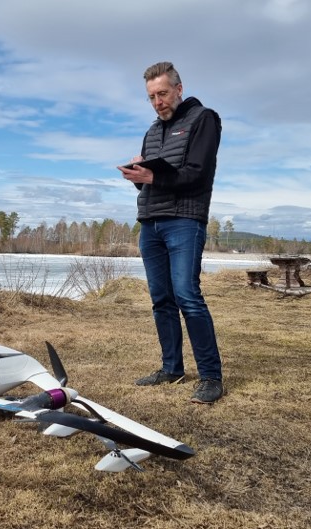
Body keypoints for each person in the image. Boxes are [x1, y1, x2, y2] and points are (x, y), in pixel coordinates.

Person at [117, 61, 224, 404]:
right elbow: (154, 183)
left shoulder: (204, 119)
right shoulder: (152, 131)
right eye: (151, 97)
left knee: (187, 296)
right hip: (150, 222)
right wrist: (139, 176)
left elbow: (198, 173)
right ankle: (172, 368)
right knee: (161, 300)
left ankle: (211, 377)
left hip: (184, 221)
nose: (157, 102)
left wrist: (154, 176)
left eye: (162, 93)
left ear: (179, 88)